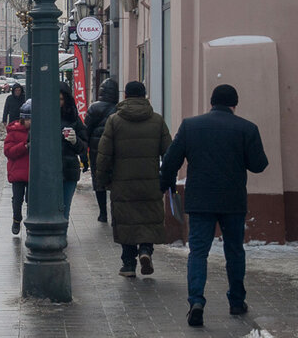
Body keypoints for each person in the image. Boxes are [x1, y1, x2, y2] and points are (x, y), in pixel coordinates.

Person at [159, 84, 269, 328]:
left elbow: (170, 161)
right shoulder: (246, 128)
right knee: (234, 251)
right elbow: (259, 164)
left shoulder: (190, 126)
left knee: (198, 252)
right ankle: (237, 301)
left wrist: (165, 185)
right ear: (234, 104)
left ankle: (196, 302)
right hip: (233, 201)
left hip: (200, 201)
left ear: (211, 102)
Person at [93, 80, 172, 279]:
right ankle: (146, 250)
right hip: (150, 181)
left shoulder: (114, 121)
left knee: (126, 221)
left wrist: (102, 179)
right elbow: (169, 153)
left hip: (122, 182)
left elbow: (104, 154)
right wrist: (166, 178)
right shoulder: (157, 120)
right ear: (145, 96)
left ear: (125, 96)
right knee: (148, 218)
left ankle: (128, 264)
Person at [85, 76, 120, 222]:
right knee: (114, 180)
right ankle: (114, 213)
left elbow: (86, 130)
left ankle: (103, 213)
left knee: (99, 181)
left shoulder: (94, 108)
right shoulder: (119, 108)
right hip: (114, 150)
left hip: (96, 151)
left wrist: (84, 150)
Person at [58, 82, 88, 221]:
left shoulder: (73, 118)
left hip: (69, 169)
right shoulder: (43, 117)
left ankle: (62, 236)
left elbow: (83, 145)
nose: (58, 103)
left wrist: (75, 141)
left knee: (65, 208)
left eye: (61, 99)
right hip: (47, 172)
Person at [4, 99, 32, 235]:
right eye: (29, 120)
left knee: (31, 199)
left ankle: (30, 221)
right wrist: (25, 146)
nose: (31, 123)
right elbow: (8, 151)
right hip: (18, 173)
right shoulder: (14, 131)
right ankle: (16, 219)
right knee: (17, 199)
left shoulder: (38, 131)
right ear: (23, 119)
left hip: (33, 174)